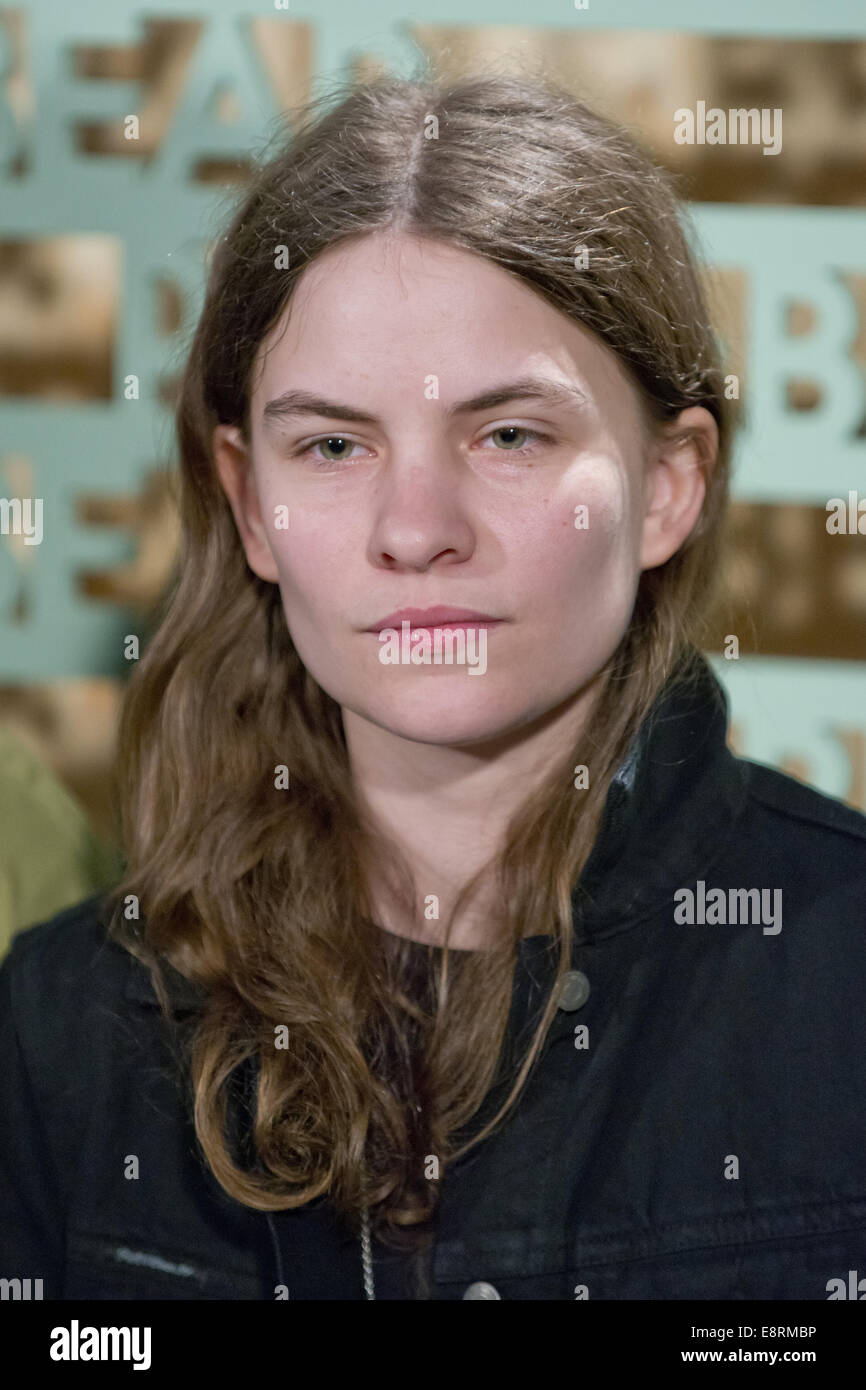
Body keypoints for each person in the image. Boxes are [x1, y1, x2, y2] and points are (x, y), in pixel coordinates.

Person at [1, 71, 864, 1302]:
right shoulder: (63, 1024)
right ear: (250, 503)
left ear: (668, 483)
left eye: (507, 434)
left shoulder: (838, 975)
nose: (415, 530)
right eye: (334, 446)